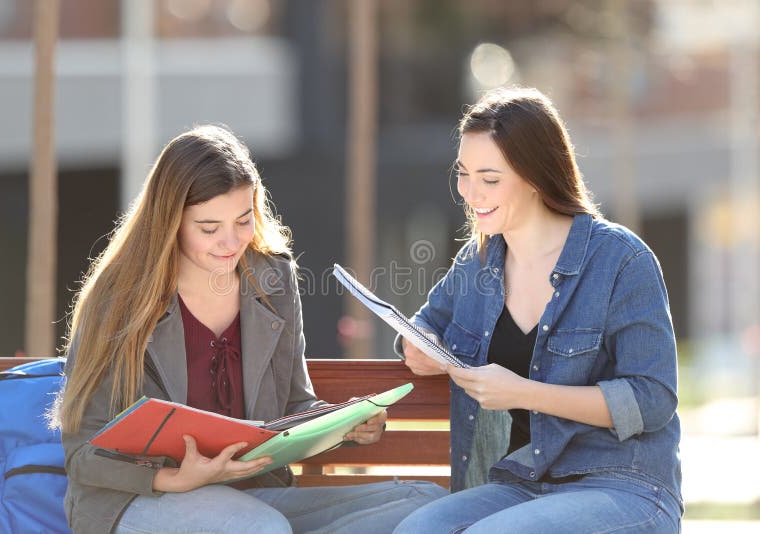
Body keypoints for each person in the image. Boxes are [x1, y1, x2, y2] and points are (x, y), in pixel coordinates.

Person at [54, 124, 447, 534]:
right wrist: (176, 478)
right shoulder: (119, 296)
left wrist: (347, 425)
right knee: (261, 528)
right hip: (146, 499)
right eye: (209, 228)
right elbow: (83, 451)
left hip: (252, 494)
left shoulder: (271, 279)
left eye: (243, 221)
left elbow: (295, 405)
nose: (230, 242)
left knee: (423, 504)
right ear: (169, 221)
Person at [393, 88, 682, 533]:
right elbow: (425, 326)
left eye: (489, 179)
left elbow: (652, 399)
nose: (470, 194)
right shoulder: (478, 263)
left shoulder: (621, 260)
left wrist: (523, 392)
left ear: (534, 176)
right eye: (463, 174)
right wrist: (423, 348)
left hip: (624, 485)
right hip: (526, 480)